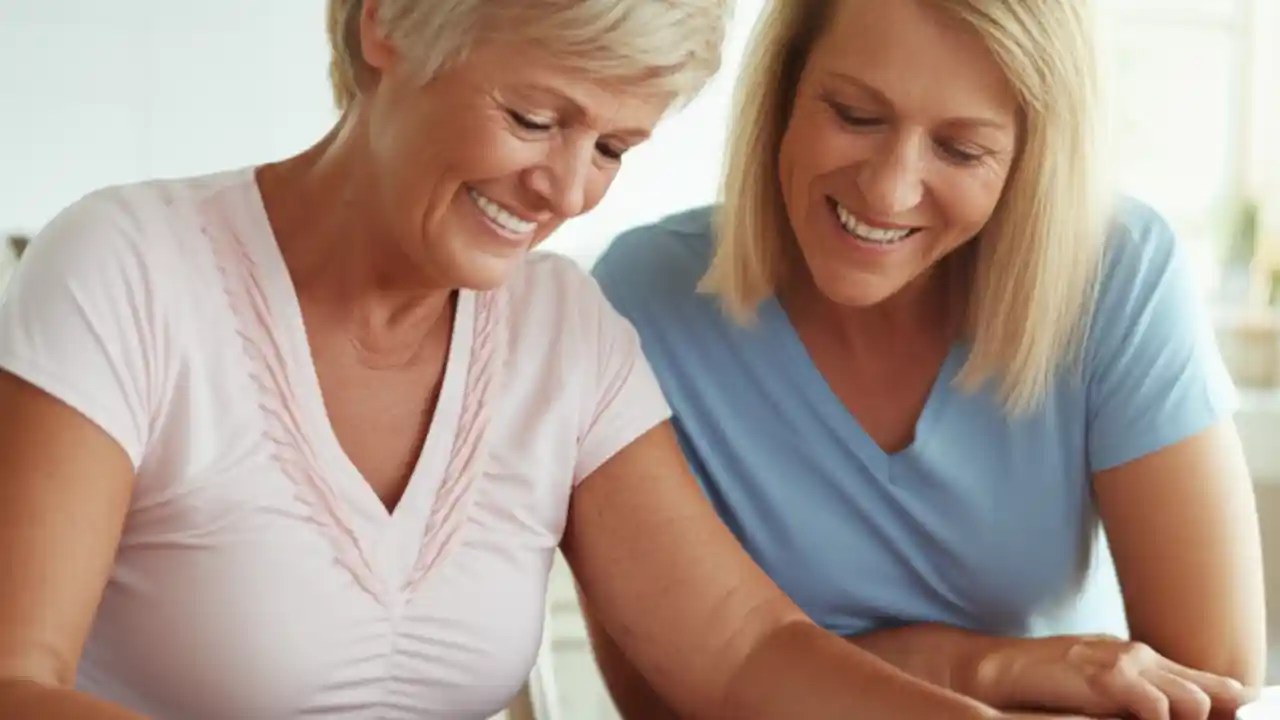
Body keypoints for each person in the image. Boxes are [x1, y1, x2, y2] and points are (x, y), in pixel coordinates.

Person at [0, 1, 1107, 719]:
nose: (567, 189)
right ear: (386, 22)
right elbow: (16, 680)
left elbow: (735, 649)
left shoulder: (561, 332)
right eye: (534, 117)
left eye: (614, 147)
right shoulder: (128, 268)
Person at [589, 0, 1268, 718]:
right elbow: (663, 697)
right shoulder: (643, 302)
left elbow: (1213, 680)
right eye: (854, 115)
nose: (888, 189)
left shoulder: (1111, 274)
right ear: (784, 89)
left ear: (1029, 159)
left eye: (961, 150)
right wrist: (983, 667)